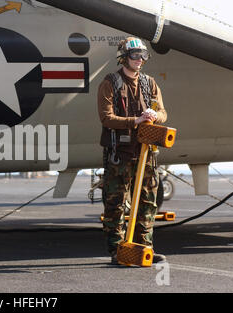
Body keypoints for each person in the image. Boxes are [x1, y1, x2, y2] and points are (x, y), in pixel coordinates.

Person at [97, 37, 167, 265]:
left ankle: (143, 248)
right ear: (123, 57)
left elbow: (163, 112)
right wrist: (136, 120)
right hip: (120, 153)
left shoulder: (149, 83)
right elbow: (106, 118)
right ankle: (118, 252)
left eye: (143, 55)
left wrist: (155, 116)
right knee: (115, 204)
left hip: (146, 153)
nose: (140, 60)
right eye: (135, 55)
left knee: (148, 202)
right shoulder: (110, 83)